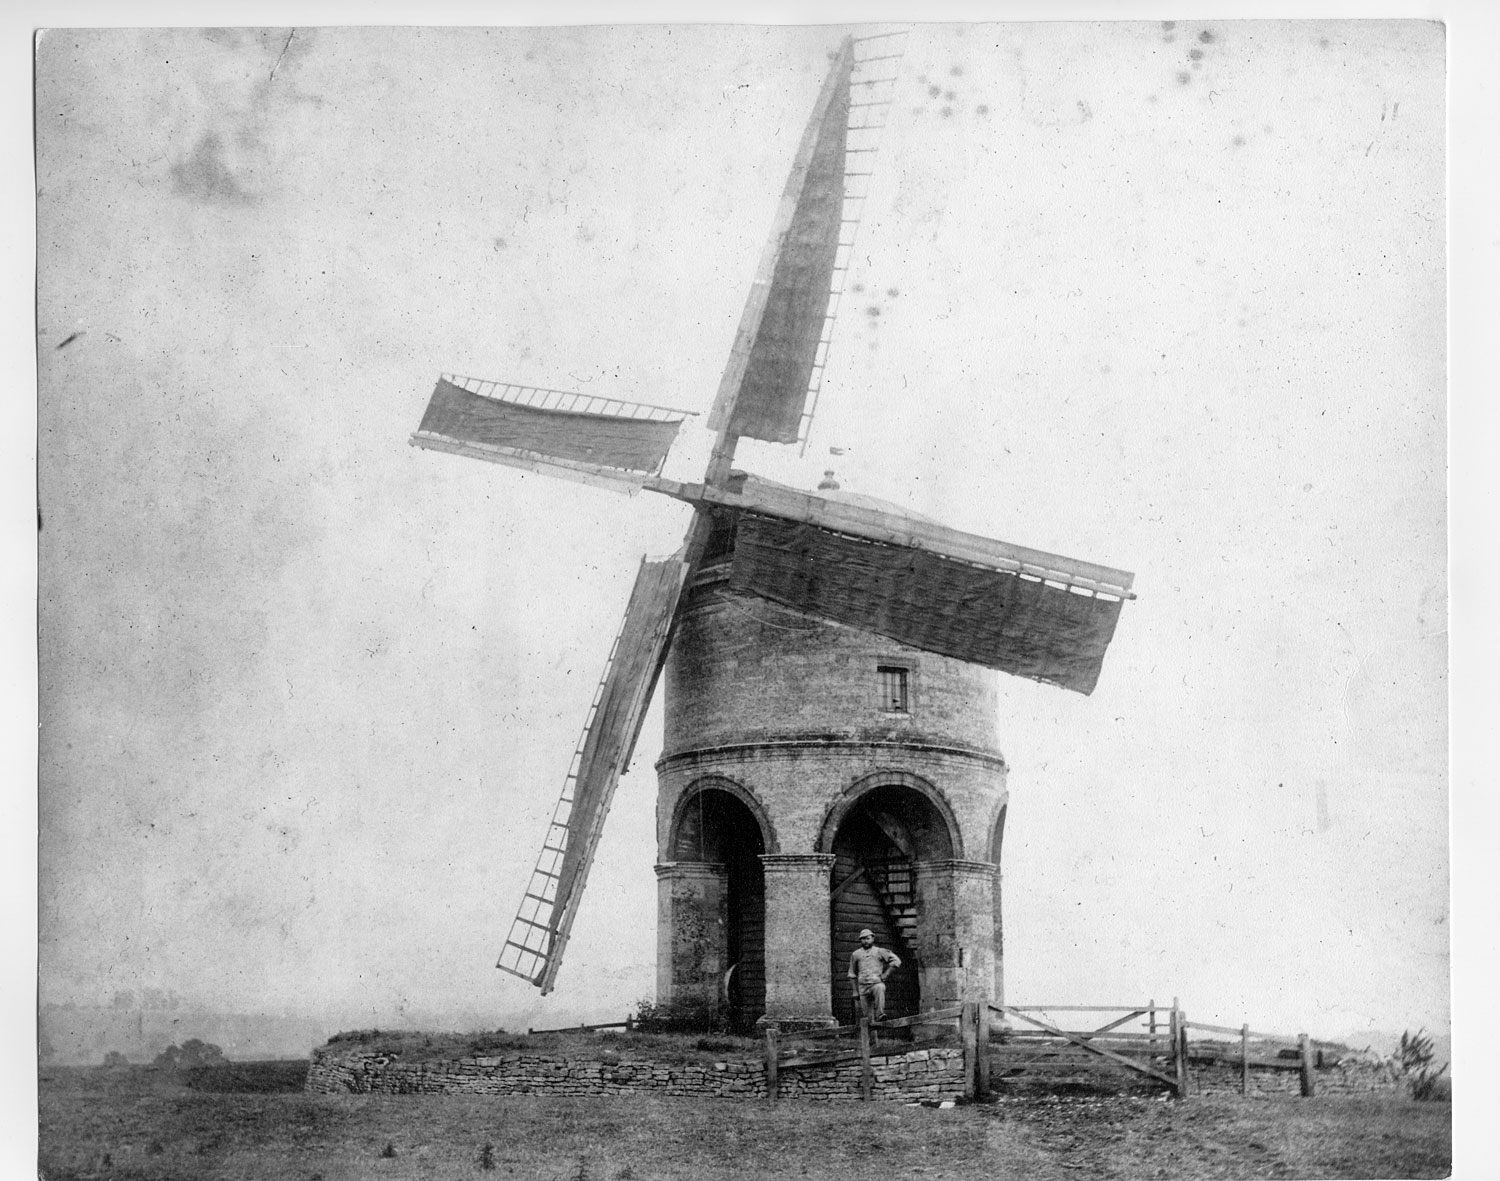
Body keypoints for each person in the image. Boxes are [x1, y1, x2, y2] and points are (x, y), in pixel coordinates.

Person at [848, 928, 900, 1022]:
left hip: (875, 984)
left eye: (868, 938)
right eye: (863, 939)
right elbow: (851, 973)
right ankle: (872, 1037)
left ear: (872, 939)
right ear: (860, 940)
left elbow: (896, 961)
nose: (865, 941)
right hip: (862, 987)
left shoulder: (880, 951)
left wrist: (886, 974)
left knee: (880, 987)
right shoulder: (856, 954)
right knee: (867, 1018)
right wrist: (855, 991)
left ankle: (880, 1014)